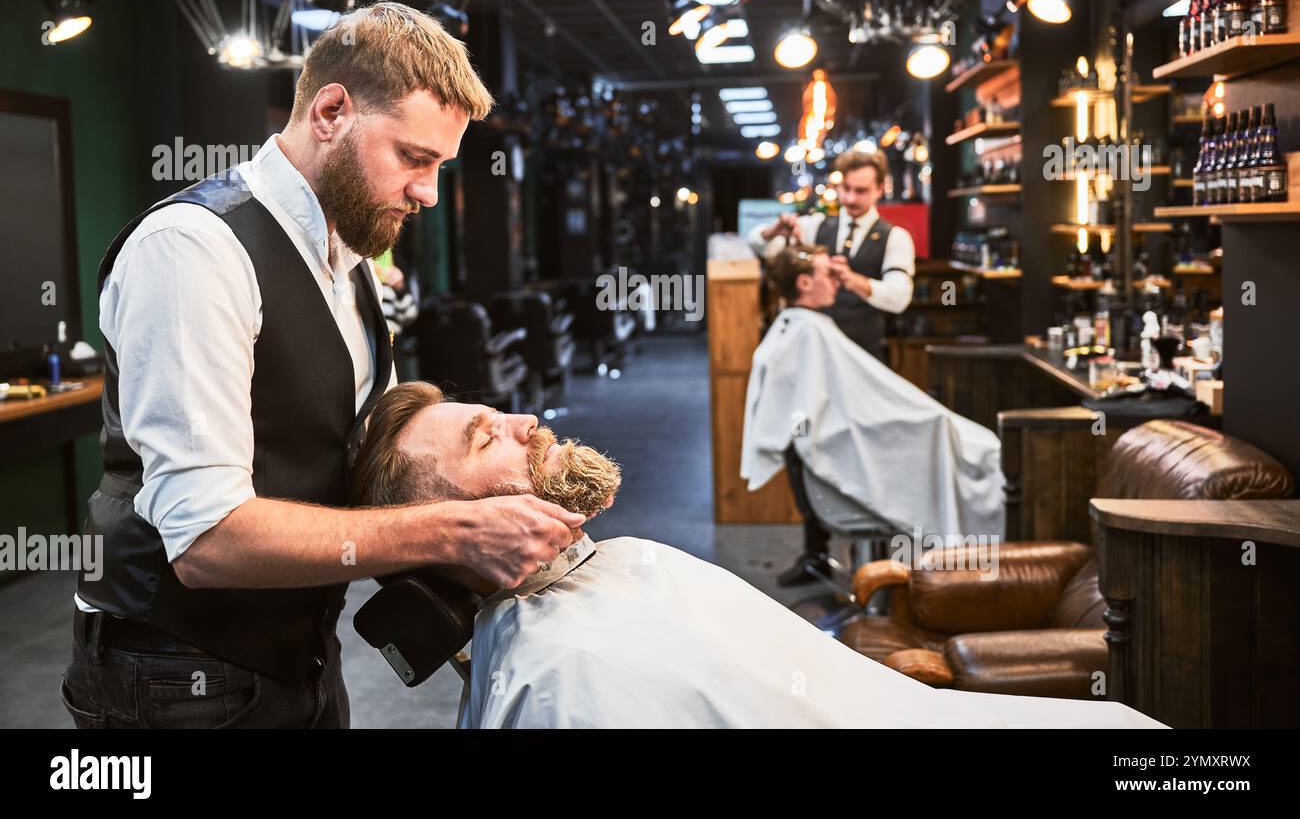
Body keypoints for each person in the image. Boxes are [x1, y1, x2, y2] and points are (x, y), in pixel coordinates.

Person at [63, 2, 591, 730]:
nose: (428, 191)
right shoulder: (193, 251)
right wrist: (459, 532)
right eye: (414, 157)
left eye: (440, 164)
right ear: (331, 111)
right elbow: (207, 539)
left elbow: (348, 444)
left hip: (301, 645)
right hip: (175, 668)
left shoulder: (351, 263)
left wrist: (509, 458)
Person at [351, 381, 1162, 729]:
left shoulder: (621, 560)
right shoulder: (560, 674)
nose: (526, 420)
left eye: (500, 411)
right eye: (486, 436)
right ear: (444, 524)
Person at [741, 246, 1004, 585]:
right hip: (855, 441)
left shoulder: (794, 328)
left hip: (855, 412)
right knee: (975, 446)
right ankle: (970, 562)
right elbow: (824, 420)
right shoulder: (807, 332)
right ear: (804, 283)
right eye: (828, 274)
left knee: (959, 436)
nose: (836, 281)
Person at [747, 148, 915, 359]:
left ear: (880, 189)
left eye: (861, 190)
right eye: (846, 188)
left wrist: (853, 280)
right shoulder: (815, 226)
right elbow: (760, 245)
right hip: (814, 351)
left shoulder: (895, 238)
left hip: (863, 353)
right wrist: (772, 232)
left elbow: (899, 298)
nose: (850, 198)